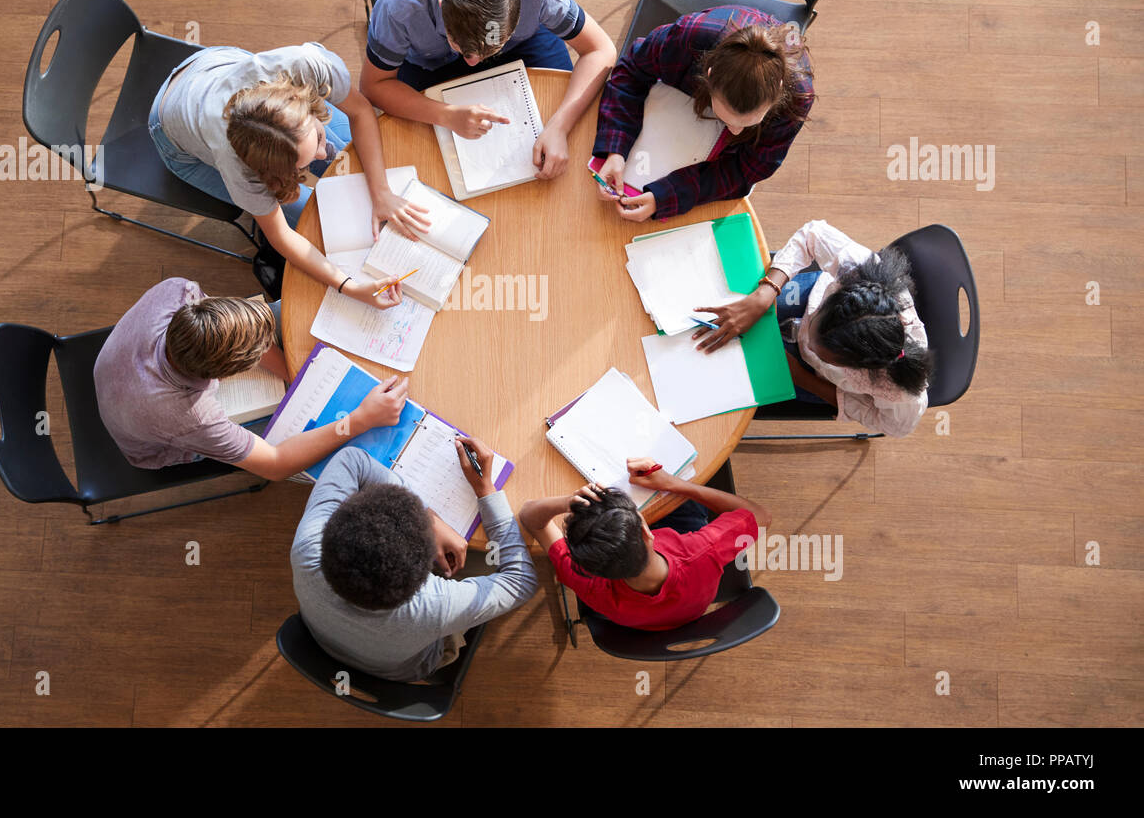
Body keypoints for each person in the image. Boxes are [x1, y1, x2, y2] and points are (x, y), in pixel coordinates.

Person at [148, 41, 429, 303]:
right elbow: (281, 236)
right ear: (272, 173)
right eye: (301, 167)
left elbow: (361, 112)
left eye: (317, 136)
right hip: (171, 129)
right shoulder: (238, 166)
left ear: (304, 102)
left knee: (348, 153)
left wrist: (381, 193)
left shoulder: (306, 66)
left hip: (212, 65)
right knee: (316, 216)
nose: (323, 155)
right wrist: (350, 287)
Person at [359, 0, 617, 180]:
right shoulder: (399, 7)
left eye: (489, 49)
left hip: (521, 46)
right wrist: (446, 114)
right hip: (428, 61)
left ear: (518, 14)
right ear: (441, 7)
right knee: (423, 160)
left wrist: (560, 126)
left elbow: (601, 49)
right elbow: (374, 85)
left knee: (570, 126)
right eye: (460, 47)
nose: (473, 64)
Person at [93, 278, 408, 479]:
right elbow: (275, 463)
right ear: (225, 374)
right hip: (150, 439)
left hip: (120, 372)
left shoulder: (180, 292)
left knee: (287, 311)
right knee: (312, 428)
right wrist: (360, 420)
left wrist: (292, 373)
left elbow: (243, 332)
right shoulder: (192, 418)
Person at [290, 437, 537, 681]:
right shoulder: (434, 603)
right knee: (486, 560)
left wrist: (431, 519)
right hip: (406, 668)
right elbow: (521, 579)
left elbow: (350, 459)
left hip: (324, 639)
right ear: (427, 572)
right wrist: (485, 490)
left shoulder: (308, 547)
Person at [691, 219, 933, 438]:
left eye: (823, 353)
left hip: (809, 374)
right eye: (816, 327)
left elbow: (894, 426)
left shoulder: (900, 393)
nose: (804, 340)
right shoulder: (862, 273)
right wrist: (767, 292)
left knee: (719, 386)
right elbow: (813, 233)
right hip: (806, 300)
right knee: (727, 297)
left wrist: (801, 377)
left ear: (858, 367)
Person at [592, 5, 813, 222]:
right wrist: (615, 150)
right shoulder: (688, 38)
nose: (735, 133)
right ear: (707, 75)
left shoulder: (798, 97)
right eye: (725, 118)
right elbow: (632, 70)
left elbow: (749, 170)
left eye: (750, 123)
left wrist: (666, 197)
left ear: (780, 88)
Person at [519, 458, 772, 631]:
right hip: (692, 602)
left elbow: (530, 515)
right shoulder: (702, 550)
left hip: (639, 620)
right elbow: (761, 517)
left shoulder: (586, 581)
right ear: (647, 531)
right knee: (681, 470)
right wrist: (672, 483)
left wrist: (568, 502)